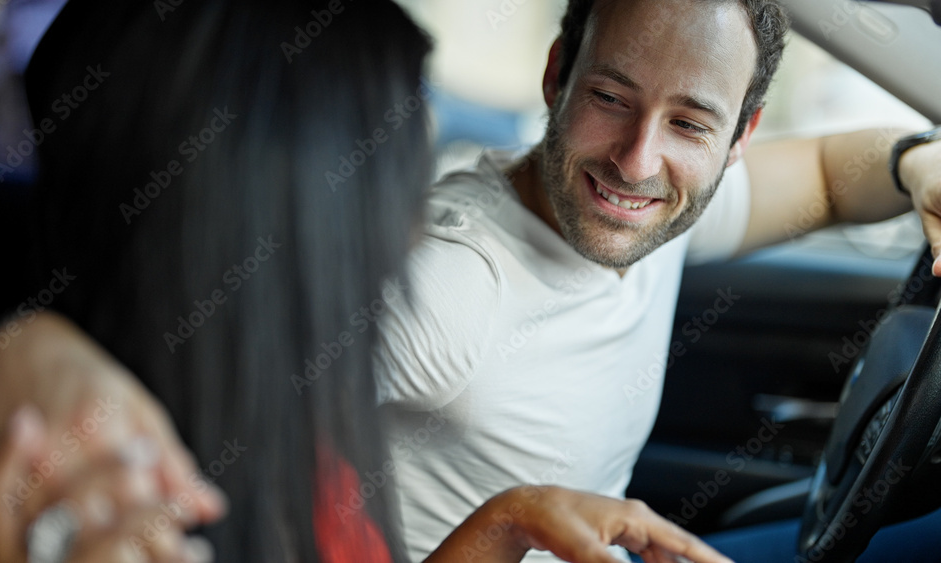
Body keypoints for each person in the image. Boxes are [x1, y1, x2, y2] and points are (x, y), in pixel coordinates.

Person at [0, 0, 733, 562]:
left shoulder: (303, 443)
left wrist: (510, 523)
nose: (417, 229)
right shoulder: (77, 511)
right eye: (395, 194)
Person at [369, 0, 941, 561]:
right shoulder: (441, 283)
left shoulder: (664, 209)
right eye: (610, 98)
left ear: (740, 136)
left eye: (689, 123)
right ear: (556, 76)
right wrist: (508, 522)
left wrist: (917, 163)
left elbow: (828, 173)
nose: (638, 162)